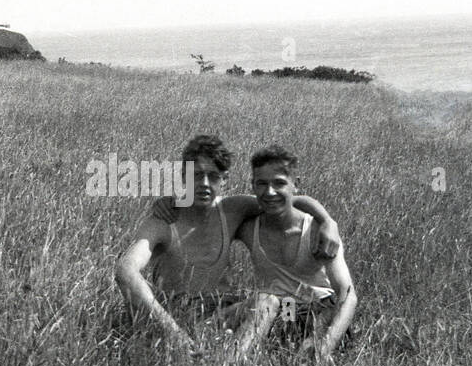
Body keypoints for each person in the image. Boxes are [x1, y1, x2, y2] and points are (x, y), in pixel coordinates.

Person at [114, 134, 340, 351]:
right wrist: (173, 333)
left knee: (271, 302)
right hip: (180, 318)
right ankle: (227, 363)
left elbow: (286, 199)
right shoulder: (164, 221)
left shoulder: (231, 209)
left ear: (224, 179)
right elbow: (126, 270)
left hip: (226, 311)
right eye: (196, 175)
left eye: (213, 176)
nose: (204, 184)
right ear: (182, 176)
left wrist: (328, 221)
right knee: (270, 304)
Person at [231, 144, 357, 366]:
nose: (269, 192)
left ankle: (310, 364)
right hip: (275, 312)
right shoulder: (248, 228)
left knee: (307, 359)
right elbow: (205, 218)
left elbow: (348, 295)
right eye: (261, 183)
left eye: (279, 183)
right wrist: (169, 207)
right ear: (252, 186)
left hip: (317, 309)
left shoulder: (319, 231)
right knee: (264, 305)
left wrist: (326, 345)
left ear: (295, 185)